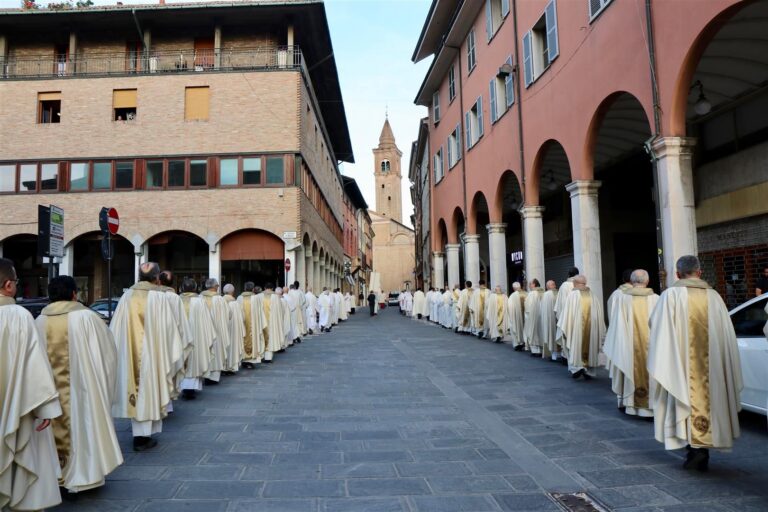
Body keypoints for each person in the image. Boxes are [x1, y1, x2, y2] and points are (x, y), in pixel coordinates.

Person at [648, 255, 742, 471]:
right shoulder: (715, 297)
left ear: (677, 273)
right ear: (699, 272)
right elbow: (727, 334)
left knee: (684, 394)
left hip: (682, 364)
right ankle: (701, 449)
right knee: (710, 400)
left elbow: (656, 326)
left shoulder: (670, 295)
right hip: (713, 367)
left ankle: (694, 448)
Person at [36, 276, 123, 493]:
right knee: (84, 425)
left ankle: (56, 476)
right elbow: (107, 354)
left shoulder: (39, 321)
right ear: (75, 294)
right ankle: (84, 478)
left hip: (49, 395)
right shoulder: (88, 318)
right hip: (83, 391)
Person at [0, 258, 63, 511]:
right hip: (13, 408)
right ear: (7, 285)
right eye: (15, 282)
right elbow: (34, 364)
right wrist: (45, 408)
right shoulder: (19, 316)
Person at [111, 262, 184, 451]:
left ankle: (141, 435)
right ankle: (142, 437)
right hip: (154, 356)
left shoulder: (126, 297)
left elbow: (115, 329)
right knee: (149, 390)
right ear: (157, 277)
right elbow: (169, 332)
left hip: (129, 356)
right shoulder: (159, 298)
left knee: (135, 388)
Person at [603, 269, 659, 417]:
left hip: (629, 350)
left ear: (633, 282)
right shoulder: (657, 299)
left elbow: (617, 329)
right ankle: (651, 408)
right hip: (652, 351)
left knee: (628, 364)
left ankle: (630, 405)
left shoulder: (623, 300)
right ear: (647, 281)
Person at [557, 275, 606, 380]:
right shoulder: (593, 295)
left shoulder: (572, 296)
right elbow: (599, 315)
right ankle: (589, 371)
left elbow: (567, 316)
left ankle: (577, 368)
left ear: (575, 283)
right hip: (591, 330)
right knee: (590, 346)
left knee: (576, 344)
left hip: (576, 330)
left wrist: (565, 327)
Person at [179, 278, 215, 398]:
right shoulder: (199, 301)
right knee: (194, 360)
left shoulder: (176, 300)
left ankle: (182, 386)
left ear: (182, 288)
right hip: (196, 338)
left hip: (180, 339)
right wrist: (208, 335)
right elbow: (207, 322)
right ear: (195, 288)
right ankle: (190, 388)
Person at [199, 278, 230, 381]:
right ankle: (213, 377)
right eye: (217, 286)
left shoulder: (200, 297)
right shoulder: (219, 299)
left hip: (203, 331)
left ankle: (204, 372)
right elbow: (228, 314)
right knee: (216, 351)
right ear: (215, 287)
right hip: (217, 331)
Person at [554, 267, 580, 354]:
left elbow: (559, 304)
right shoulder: (582, 285)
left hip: (566, 317)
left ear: (568, 275)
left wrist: (560, 316)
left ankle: (566, 356)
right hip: (578, 316)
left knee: (566, 334)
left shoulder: (564, 286)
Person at [259, 283, 285, 361]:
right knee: (271, 337)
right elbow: (281, 311)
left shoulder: (259, 296)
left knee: (262, 337)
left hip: (261, 322)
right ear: (272, 289)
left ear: (264, 288)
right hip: (272, 322)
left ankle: (261, 355)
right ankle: (268, 357)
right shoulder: (276, 297)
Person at [223, 284, 245, 372]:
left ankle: (223, 366)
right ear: (233, 292)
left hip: (223, 330)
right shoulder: (236, 304)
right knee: (232, 347)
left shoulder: (220, 301)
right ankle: (231, 367)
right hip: (233, 330)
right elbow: (242, 318)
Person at [539, 280, 559, 361]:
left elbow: (541, 309)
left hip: (549, 320)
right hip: (558, 319)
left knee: (551, 335)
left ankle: (554, 355)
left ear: (547, 287)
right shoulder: (559, 293)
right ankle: (560, 354)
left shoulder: (546, 295)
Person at [524, 279, 545, 356]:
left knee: (533, 332)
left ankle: (536, 350)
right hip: (541, 316)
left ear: (534, 284)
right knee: (540, 331)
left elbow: (528, 307)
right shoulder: (543, 292)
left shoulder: (532, 293)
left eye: (530, 284)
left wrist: (527, 317)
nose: (529, 285)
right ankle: (541, 349)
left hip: (533, 316)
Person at [507, 282, 526, 350]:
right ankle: (524, 341)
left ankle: (517, 343)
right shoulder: (526, 293)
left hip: (516, 317)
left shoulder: (512, 296)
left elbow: (509, 307)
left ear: (513, 288)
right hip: (525, 317)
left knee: (515, 327)